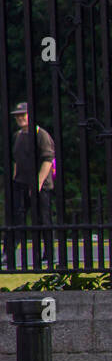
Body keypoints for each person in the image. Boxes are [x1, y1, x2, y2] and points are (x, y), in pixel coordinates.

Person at [9, 101, 55, 268]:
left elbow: (48, 160)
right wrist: (15, 178)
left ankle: (48, 254)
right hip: (21, 183)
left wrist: (38, 183)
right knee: (17, 219)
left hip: (40, 186)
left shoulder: (40, 134)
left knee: (43, 219)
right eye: (17, 116)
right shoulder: (18, 136)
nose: (20, 118)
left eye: (23, 114)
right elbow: (16, 160)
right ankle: (10, 253)